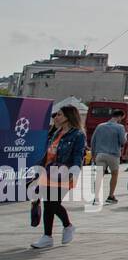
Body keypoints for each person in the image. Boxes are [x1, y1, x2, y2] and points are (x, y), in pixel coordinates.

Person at [30, 105, 86, 249]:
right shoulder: (56, 132)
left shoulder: (78, 135)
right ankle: (47, 236)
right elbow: (48, 154)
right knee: (48, 204)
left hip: (64, 173)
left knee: (53, 203)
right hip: (48, 172)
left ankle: (67, 226)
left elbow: (78, 155)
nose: (56, 117)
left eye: (59, 115)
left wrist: (74, 172)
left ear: (68, 117)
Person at [90, 108, 127, 205]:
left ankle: (96, 197)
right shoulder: (120, 127)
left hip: (100, 154)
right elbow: (122, 142)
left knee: (99, 176)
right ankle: (110, 196)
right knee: (114, 175)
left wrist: (93, 154)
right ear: (119, 117)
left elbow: (93, 141)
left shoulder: (100, 126)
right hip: (113, 155)